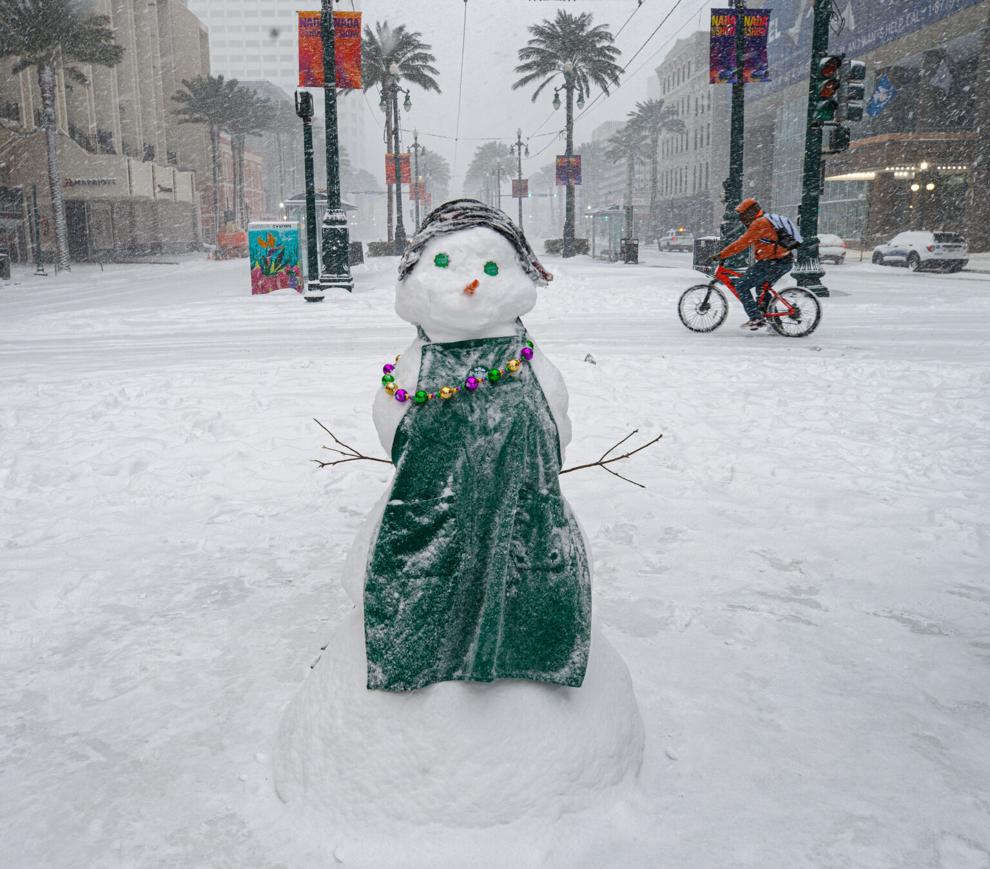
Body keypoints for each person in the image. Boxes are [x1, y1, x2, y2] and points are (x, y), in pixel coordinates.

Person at [713, 198, 795, 330]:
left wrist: (722, 254)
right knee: (761, 288)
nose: (742, 219)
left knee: (741, 286)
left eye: (743, 215)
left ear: (750, 213)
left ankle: (756, 318)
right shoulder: (765, 219)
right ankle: (775, 324)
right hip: (781, 260)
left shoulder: (759, 223)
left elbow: (742, 243)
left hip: (773, 262)